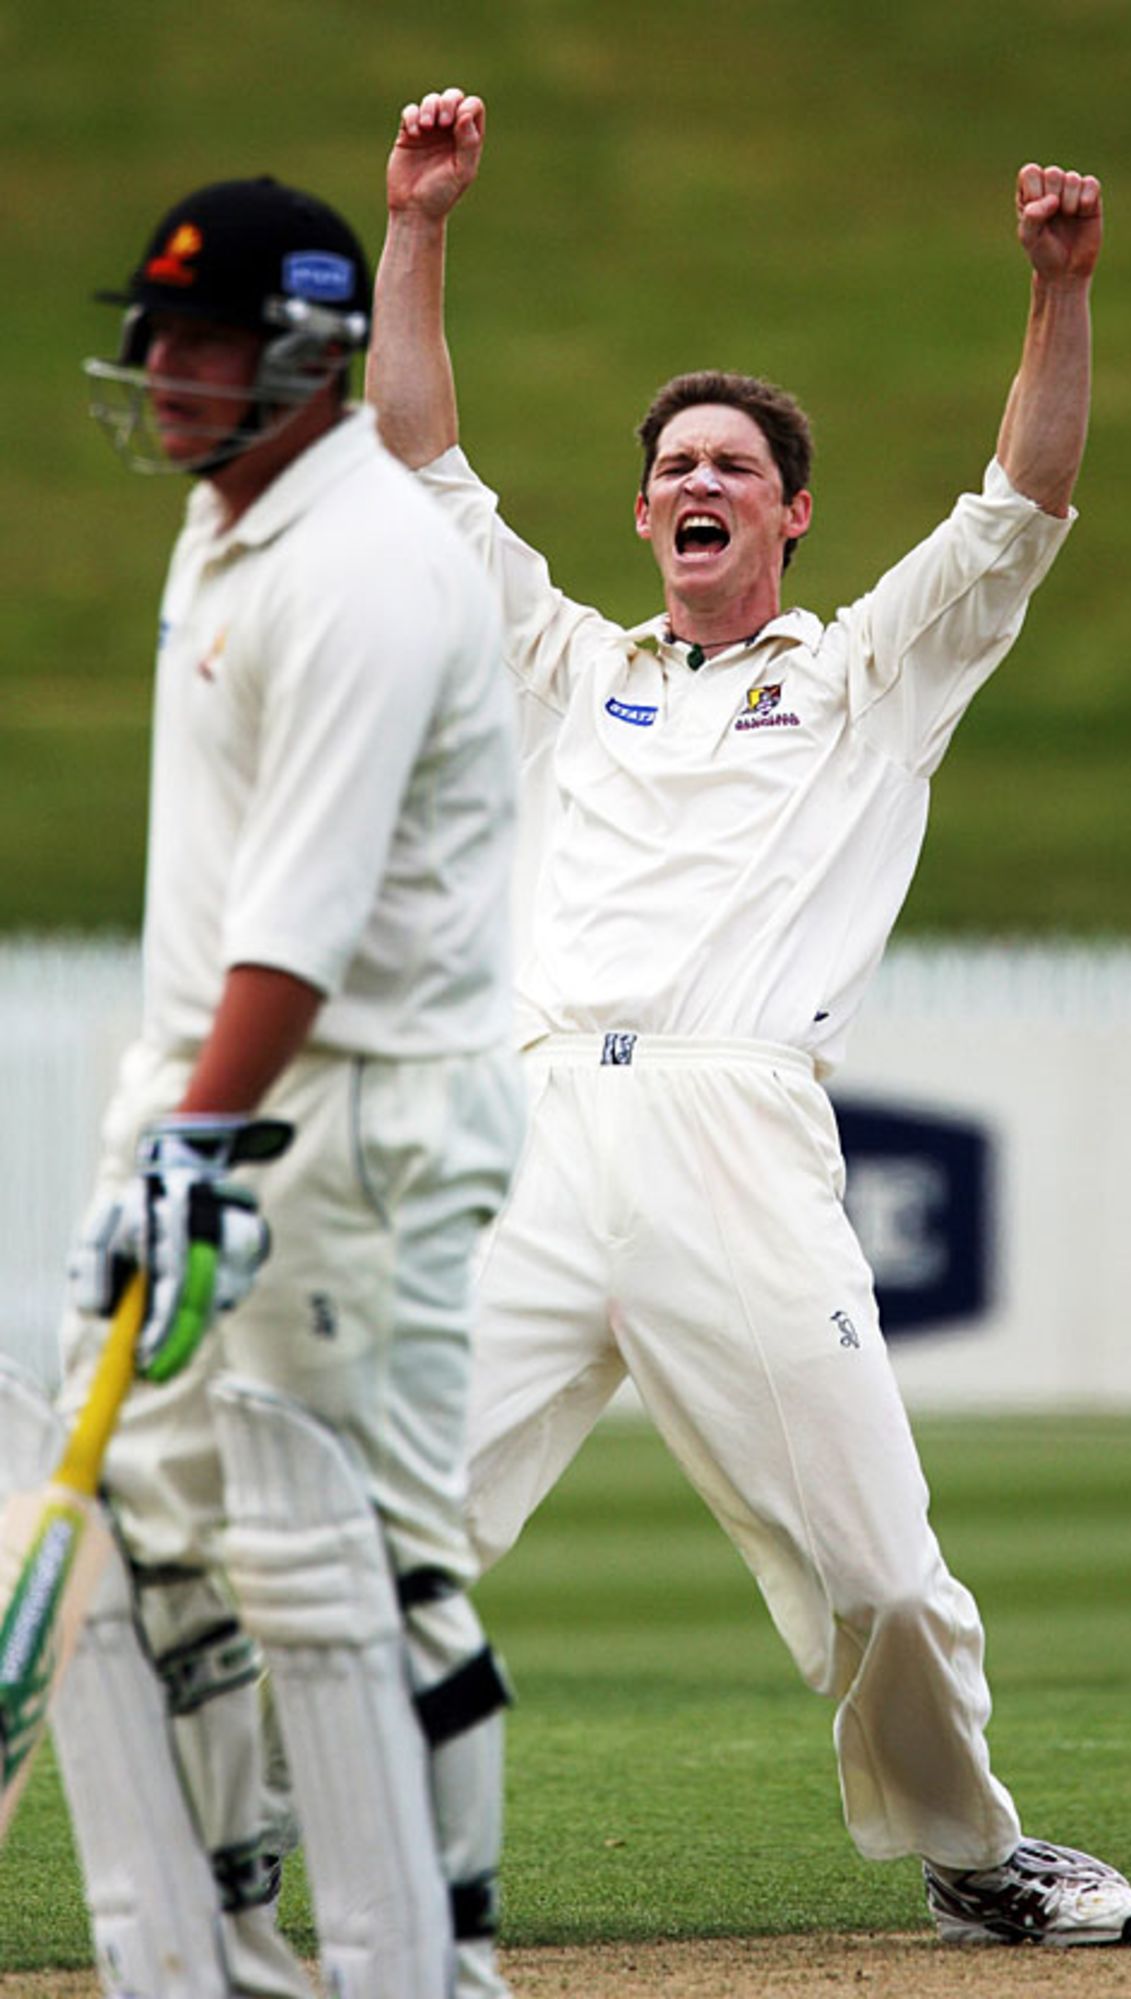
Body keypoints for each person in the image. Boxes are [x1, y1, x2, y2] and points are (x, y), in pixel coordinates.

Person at [364, 87, 1131, 1950]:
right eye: (674, 466)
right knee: (376, 1514)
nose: (699, 482)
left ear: (788, 514)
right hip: (540, 1135)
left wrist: (1060, 293)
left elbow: (1024, 503)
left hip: (739, 1139)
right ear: (646, 512)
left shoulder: (868, 675)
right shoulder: (570, 668)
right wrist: (417, 226)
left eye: (733, 463)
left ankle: (979, 1855)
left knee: (882, 1574)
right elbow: (421, 468)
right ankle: (280, 1852)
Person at [5, 174, 524, 1999]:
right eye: (156, 336)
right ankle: (220, 1936)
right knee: (149, 1526)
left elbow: (298, 931)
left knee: (370, 1560)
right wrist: (173, 1132)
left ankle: (440, 1964)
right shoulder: (231, 519)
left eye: (205, 343)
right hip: (212, 1113)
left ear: (309, 354)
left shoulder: (371, 567)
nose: (160, 373)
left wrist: (197, 1138)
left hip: (357, 1120)